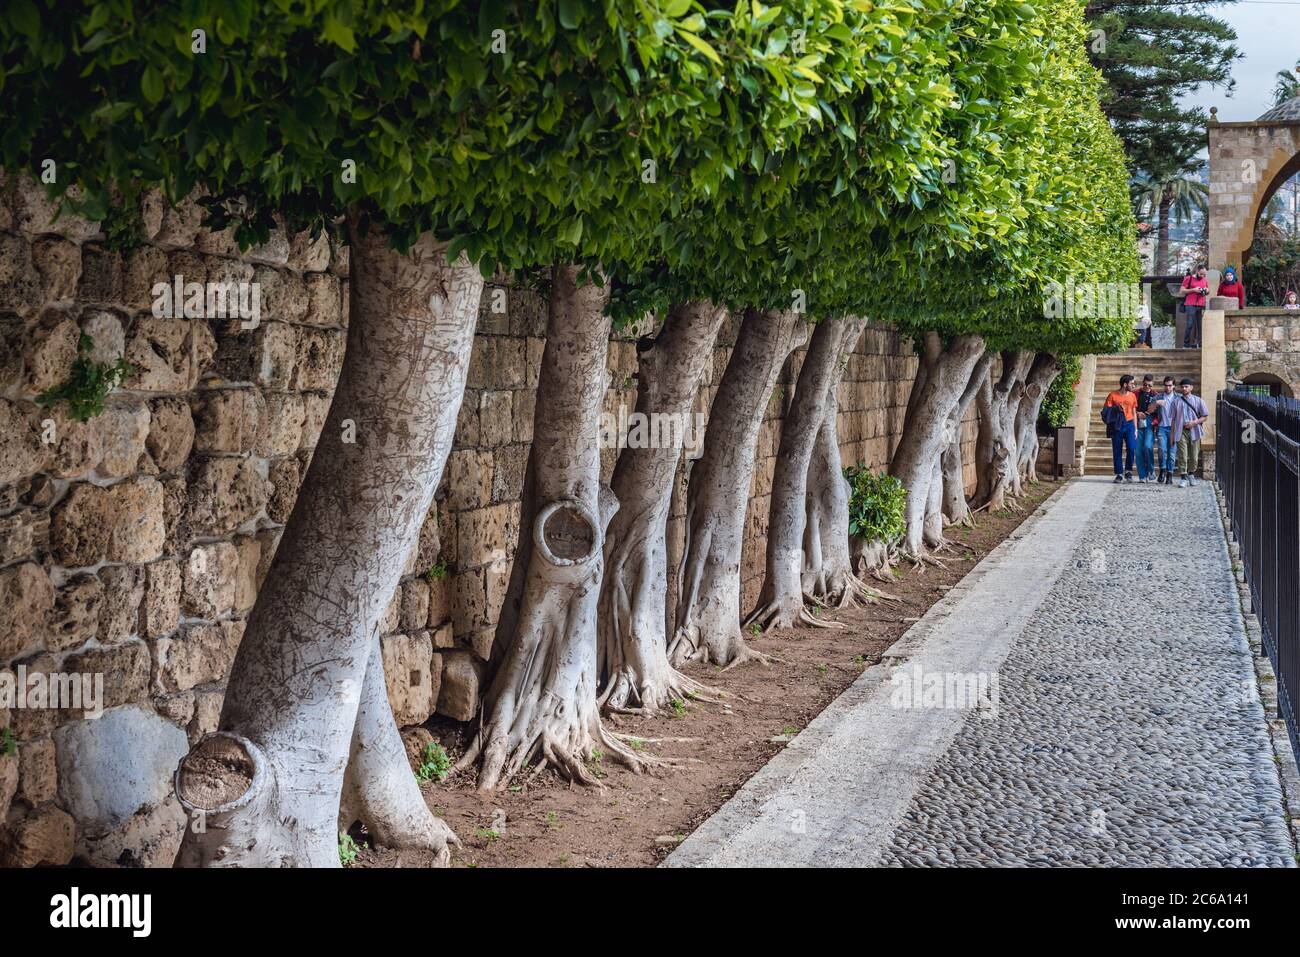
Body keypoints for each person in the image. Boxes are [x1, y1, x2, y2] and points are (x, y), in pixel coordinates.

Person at [1162, 377, 1210, 487]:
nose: (1184, 388)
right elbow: (1173, 420)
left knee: (1194, 456)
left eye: (1186, 386)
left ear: (1191, 388)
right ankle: (1183, 477)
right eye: (1182, 387)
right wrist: (1172, 436)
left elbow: (1205, 416)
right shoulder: (1176, 402)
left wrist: (1194, 422)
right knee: (1182, 455)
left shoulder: (1198, 401)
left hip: (1194, 430)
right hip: (1180, 430)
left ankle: (1191, 473)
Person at [1103, 374, 1138, 484]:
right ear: (1125, 384)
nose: (1133, 385)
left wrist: (1136, 428)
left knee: (1132, 448)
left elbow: (1134, 412)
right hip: (1117, 425)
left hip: (1129, 425)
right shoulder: (1112, 395)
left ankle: (1128, 471)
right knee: (1117, 450)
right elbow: (1106, 412)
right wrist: (1115, 409)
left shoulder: (1132, 395)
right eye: (1132, 383)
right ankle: (1119, 474)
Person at [1151, 376, 1177, 484]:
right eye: (1166, 385)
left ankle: (1170, 474)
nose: (1167, 387)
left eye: (1170, 385)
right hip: (1161, 427)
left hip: (1173, 429)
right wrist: (1156, 403)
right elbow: (1149, 409)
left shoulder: (1178, 398)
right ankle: (1162, 471)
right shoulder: (1159, 397)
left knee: (1171, 453)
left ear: (1173, 386)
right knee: (1162, 450)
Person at [1134, 374, 1158, 482]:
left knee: (1148, 446)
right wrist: (1137, 413)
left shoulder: (1156, 395)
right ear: (1142, 383)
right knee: (1138, 450)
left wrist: (1150, 414)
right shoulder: (1136, 394)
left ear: (1152, 384)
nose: (1147, 387)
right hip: (1137, 422)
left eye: (1149, 385)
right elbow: (1130, 407)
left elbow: (1159, 412)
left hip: (1149, 422)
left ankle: (1151, 470)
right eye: (1145, 385)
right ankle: (1142, 475)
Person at [1181, 266, 1209, 348]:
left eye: (1204, 274)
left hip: (1201, 304)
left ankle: (1200, 344)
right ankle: (1186, 344)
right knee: (1190, 324)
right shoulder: (1188, 278)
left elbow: (1208, 290)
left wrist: (1206, 291)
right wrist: (1193, 290)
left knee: (1200, 325)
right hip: (1190, 304)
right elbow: (1182, 290)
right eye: (1201, 274)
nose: (1202, 276)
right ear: (1197, 271)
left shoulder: (1205, 280)